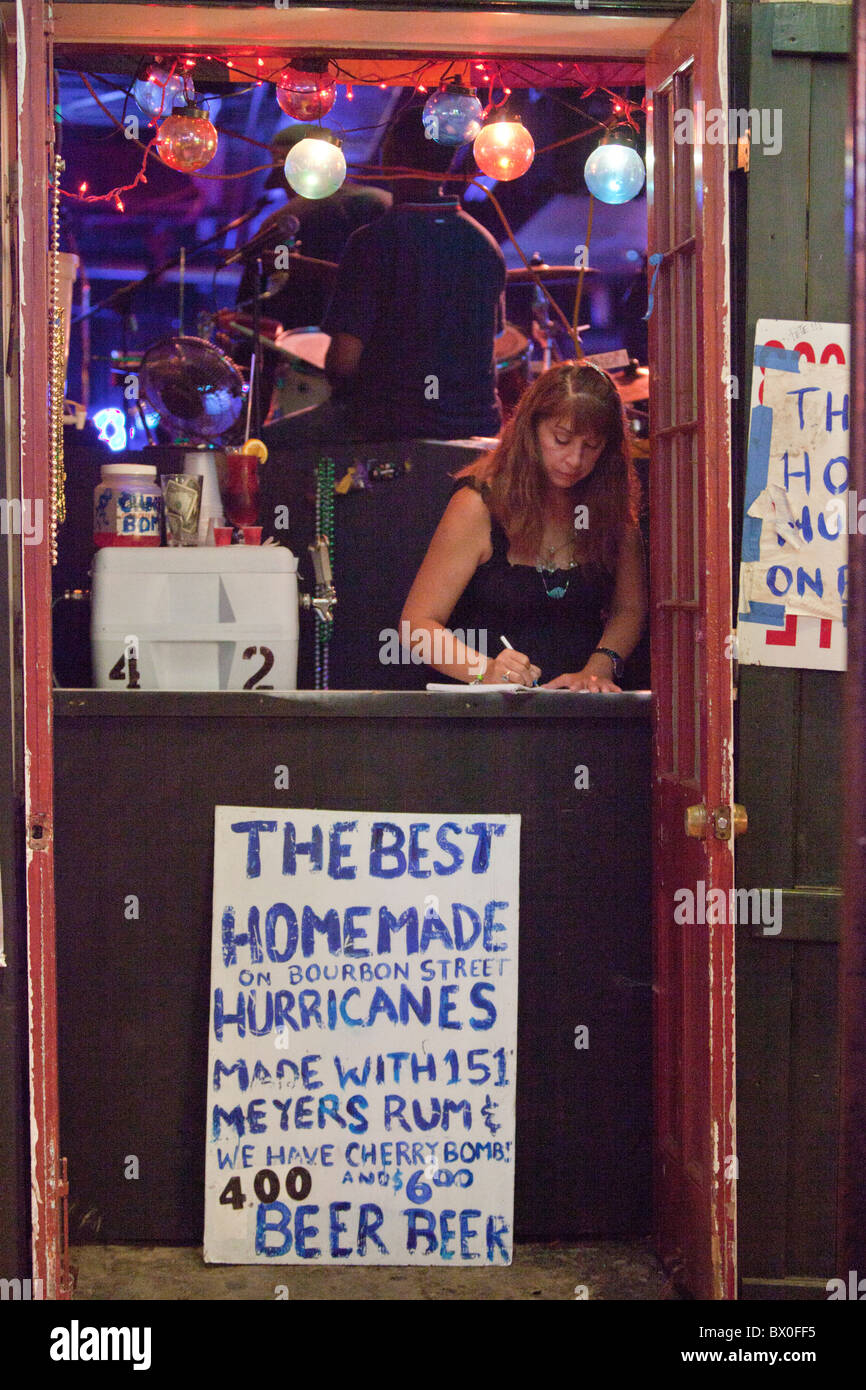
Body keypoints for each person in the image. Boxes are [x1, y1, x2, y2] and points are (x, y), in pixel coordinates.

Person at [399, 361, 648, 690]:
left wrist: (599, 668)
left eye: (591, 446)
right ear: (531, 430)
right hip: (487, 717)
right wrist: (484, 670)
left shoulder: (610, 505)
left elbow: (629, 609)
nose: (574, 460)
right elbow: (416, 626)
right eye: (561, 440)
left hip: (579, 713)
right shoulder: (478, 505)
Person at [319, 106, 507, 441]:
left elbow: (343, 364)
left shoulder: (372, 242)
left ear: (391, 156)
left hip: (388, 429)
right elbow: (489, 350)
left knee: (269, 445)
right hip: (477, 427)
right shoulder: (485, 243)